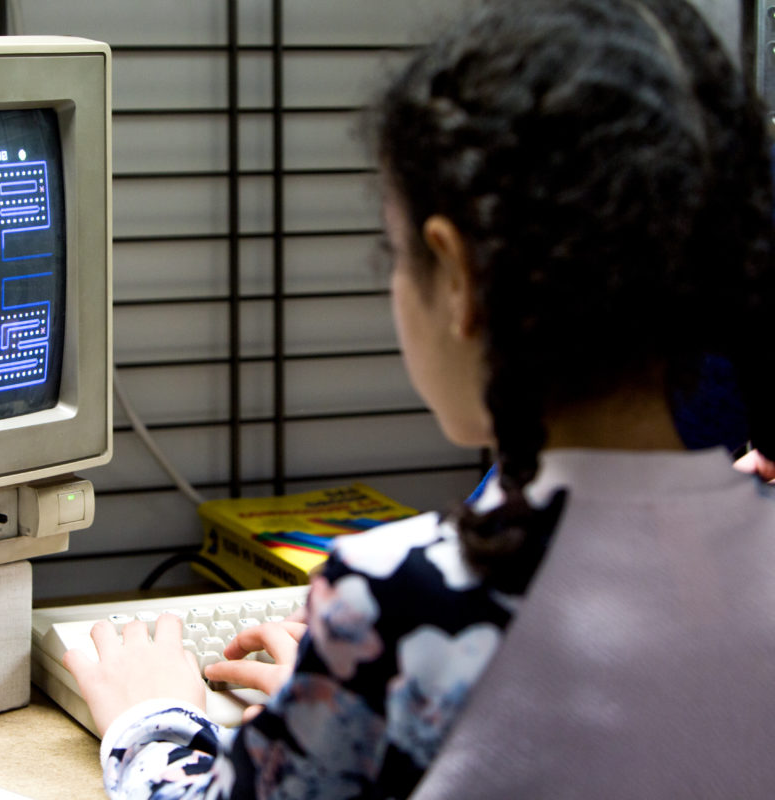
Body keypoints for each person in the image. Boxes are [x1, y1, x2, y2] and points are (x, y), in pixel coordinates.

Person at [64, 0, 775, 796]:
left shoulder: (409, 602)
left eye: (393, 251)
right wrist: (347, 700)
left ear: (459, 276)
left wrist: (154, 717)